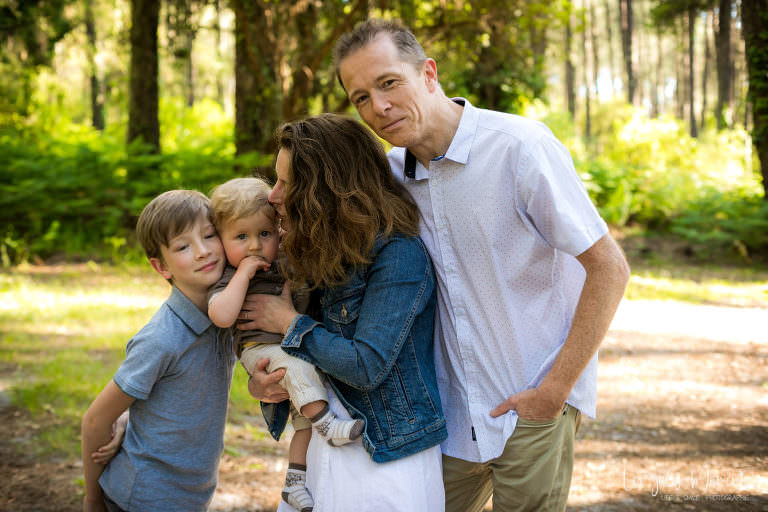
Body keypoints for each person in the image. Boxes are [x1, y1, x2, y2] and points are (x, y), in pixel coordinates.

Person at [330, 19, 629, 511]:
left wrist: (554, 391)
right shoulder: (387, 177)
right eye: (360, 97)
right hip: (444, 418)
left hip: (529, 403)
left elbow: (609, 268)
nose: (377, 107)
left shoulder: (519, 148)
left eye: (388, 83)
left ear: (427, 73)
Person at [240, 113, 447, 511]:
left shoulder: (399, 255)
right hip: (324, 444)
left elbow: (366, 365)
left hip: (386, 454)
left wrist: (287, 322)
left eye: (287, 183)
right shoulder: (317, 249)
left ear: (327, 191)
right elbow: (303, 359)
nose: (273, 195)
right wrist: (263, 385)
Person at [207, 177, 365, 512]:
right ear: (221, 241)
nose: (253, 245)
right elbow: (221, 315)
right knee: (301, 371)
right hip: (259, 349)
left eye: (264, 234)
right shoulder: (228, 275)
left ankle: (295, 481)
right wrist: (244, 275)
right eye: (241, 237)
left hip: (290, 346)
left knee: (301, 419)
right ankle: (328, 424)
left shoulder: (284, 261)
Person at [81, 190, 233, 512]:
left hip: (191, 496)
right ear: (161, 266)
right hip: (144, 498)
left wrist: (126, 422)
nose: (203, 251)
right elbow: (95, 420)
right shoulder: (163, 339)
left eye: (209, 235)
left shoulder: (226, 314)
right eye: (183, 246)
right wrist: (92, 501)